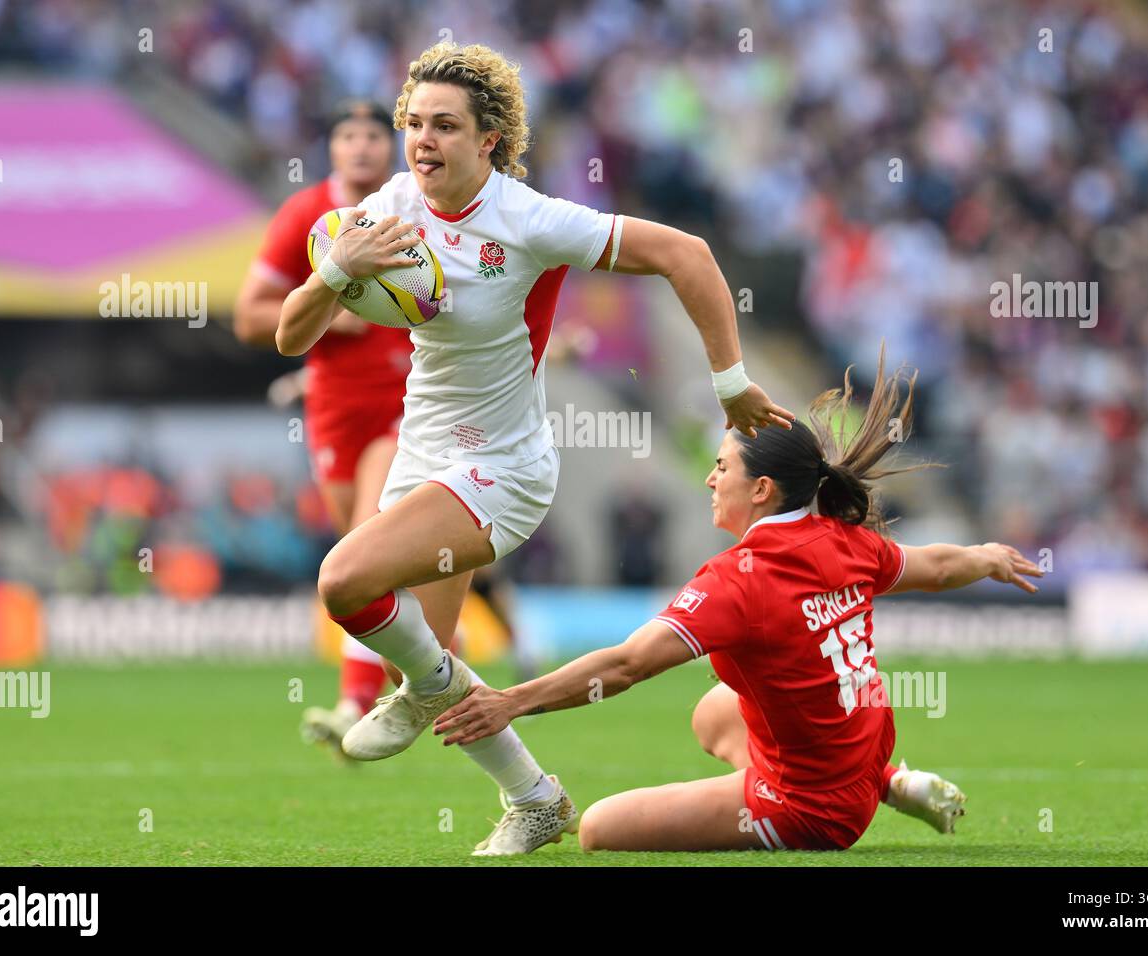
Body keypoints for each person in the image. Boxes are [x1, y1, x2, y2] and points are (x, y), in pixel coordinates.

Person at [276, 42, 792, 855]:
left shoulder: (530, 219)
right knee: (432, 661)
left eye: (444, 125)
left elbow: (685, 254)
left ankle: (424, 688)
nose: (421, 139)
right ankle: (535, 797)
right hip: (423, 452)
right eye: (413, 122)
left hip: (502, 471)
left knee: (343, 581)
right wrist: (334, 270)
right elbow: (288, 334)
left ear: (489, 141)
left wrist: (730, 384)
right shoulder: (393, 203)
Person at [433, 350, 1043, 853]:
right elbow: (933, 567)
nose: (709, 478)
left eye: (720, 466)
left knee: (597, 830)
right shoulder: (844, 538)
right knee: (712, 712)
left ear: (761, 489)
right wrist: (987, 556)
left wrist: (509, 702)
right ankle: (892, 783)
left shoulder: (740, 579)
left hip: (811, 811)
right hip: (859, 757)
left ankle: (839, 796)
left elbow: (625, 666)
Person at [234, 99, 413, 756]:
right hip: (335, 409)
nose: (363, 146)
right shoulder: (305, 216)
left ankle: (353, 704)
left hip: (408, 406)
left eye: (374, 134)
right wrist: (332, 313)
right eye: (349, 135)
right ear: (331, 148)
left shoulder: (412, 207)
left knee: (366, 541)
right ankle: (427, 676)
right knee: (361, 560)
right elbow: (251, 318)